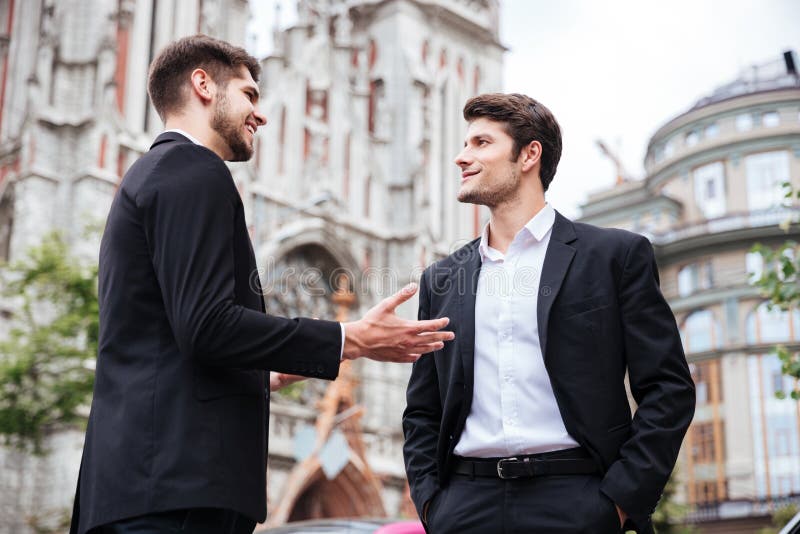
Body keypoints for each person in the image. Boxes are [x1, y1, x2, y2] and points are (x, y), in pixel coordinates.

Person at [69, 35, 454, 534]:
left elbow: (167, 339)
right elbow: (207, 325)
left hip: (146, 479)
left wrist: (266, 374)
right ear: (203, 85)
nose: (261, 114)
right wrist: (349, 338)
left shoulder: (153, 175)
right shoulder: (195, 170)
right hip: (176, 488)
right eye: (250, 95)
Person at [402, 93, 695, 533]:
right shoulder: (442, 279)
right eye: (465, 144)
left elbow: (668, 389)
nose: (461, 157)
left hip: (578, 501)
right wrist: (432, 504)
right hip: (464, 507)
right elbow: (422, 409)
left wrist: (617, 503)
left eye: (481, 143)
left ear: (529, 155)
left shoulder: (614, 256)